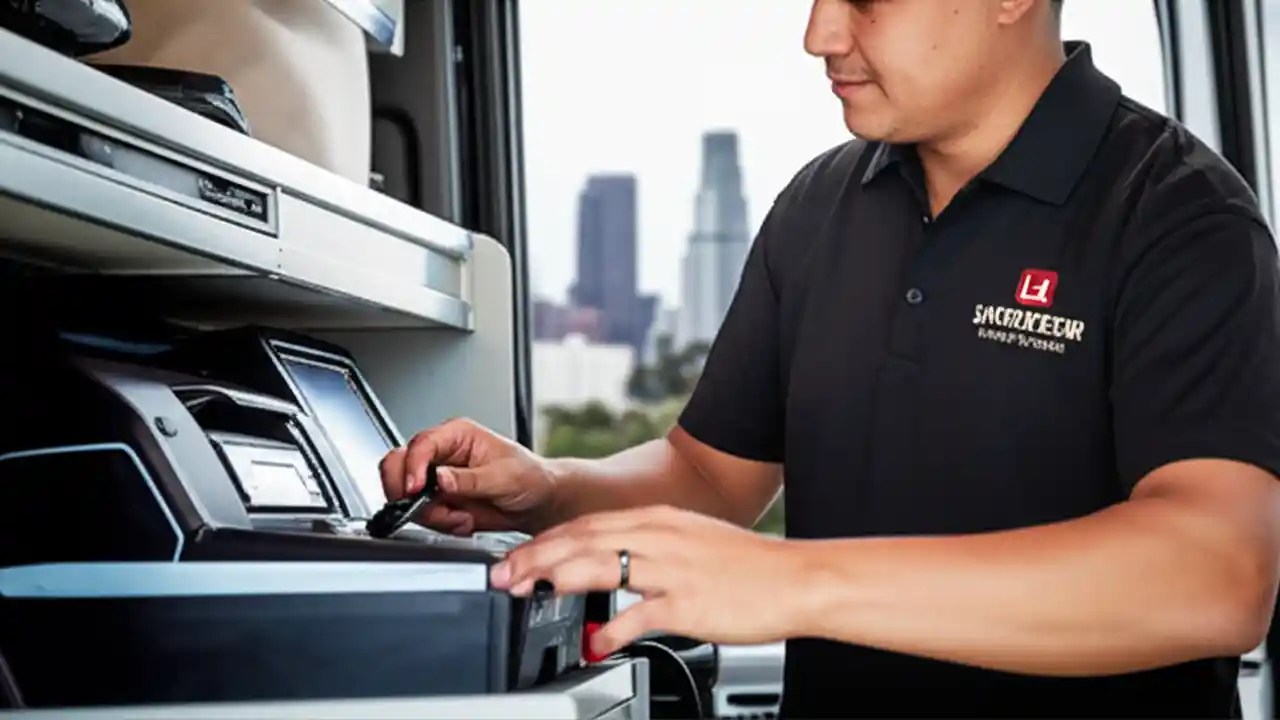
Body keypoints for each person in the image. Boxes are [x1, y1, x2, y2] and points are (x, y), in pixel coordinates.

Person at [380, 0, 1280, 716]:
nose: (819, 34)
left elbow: (1217, 574)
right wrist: (549, 489)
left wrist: (792, 581)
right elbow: (709, 474)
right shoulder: (818, 206)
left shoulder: (1179, 215)